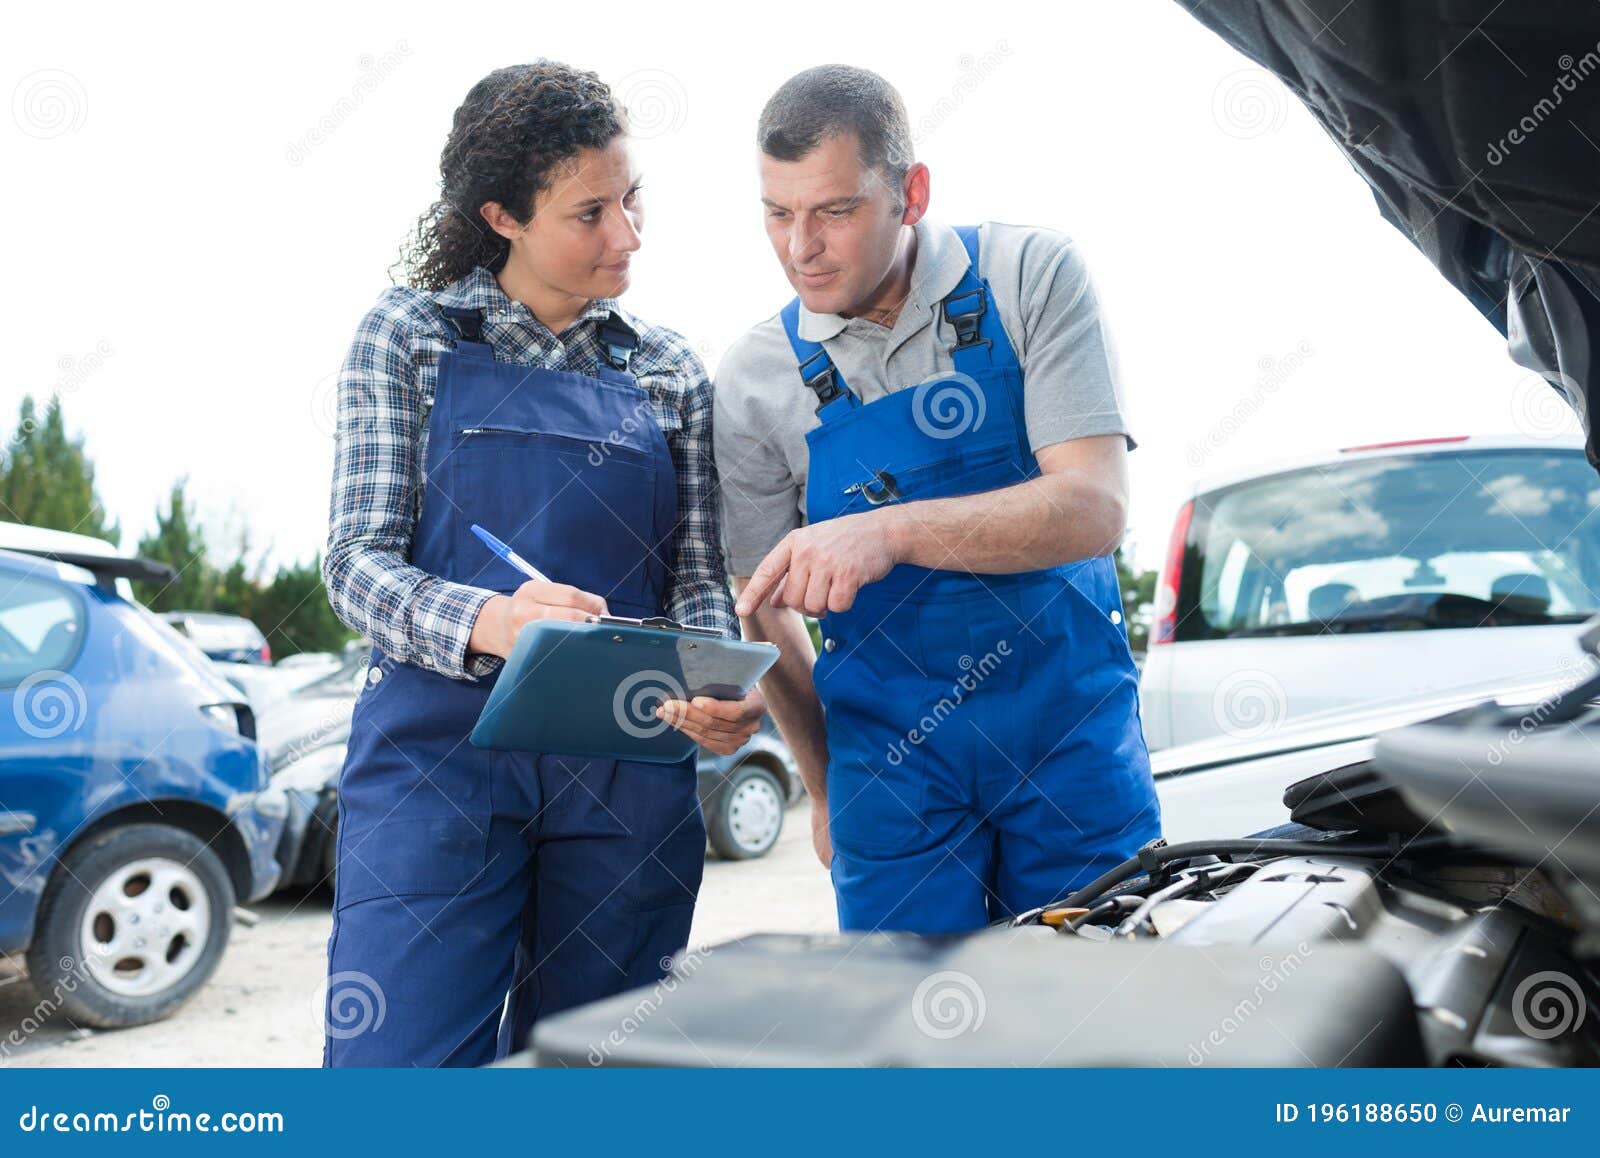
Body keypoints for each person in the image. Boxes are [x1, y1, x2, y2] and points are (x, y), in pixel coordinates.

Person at [320, 60, 764, 1067]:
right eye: (590, 212)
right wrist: (494, 621)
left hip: (628, 777)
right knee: (398, 1070)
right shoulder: (410, 338)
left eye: (634, 198)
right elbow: (355, 563)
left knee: (593, 1079)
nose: (629, 235)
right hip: (439, 769)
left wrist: (715, 681)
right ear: (501, 216)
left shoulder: (668, 370)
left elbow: (695, 576)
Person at [714, 65, 1162, 935]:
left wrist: (887, 532)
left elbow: (1094, 505)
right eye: (778, 213)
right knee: (918, 1047)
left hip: (1070, 747)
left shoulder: (1029, 275)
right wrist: (822, 783)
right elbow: (760, 608)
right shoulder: (754, 379)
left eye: (835, 211)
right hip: (891, 771)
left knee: (1101, 1021)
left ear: (911, 193)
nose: (800, 248)